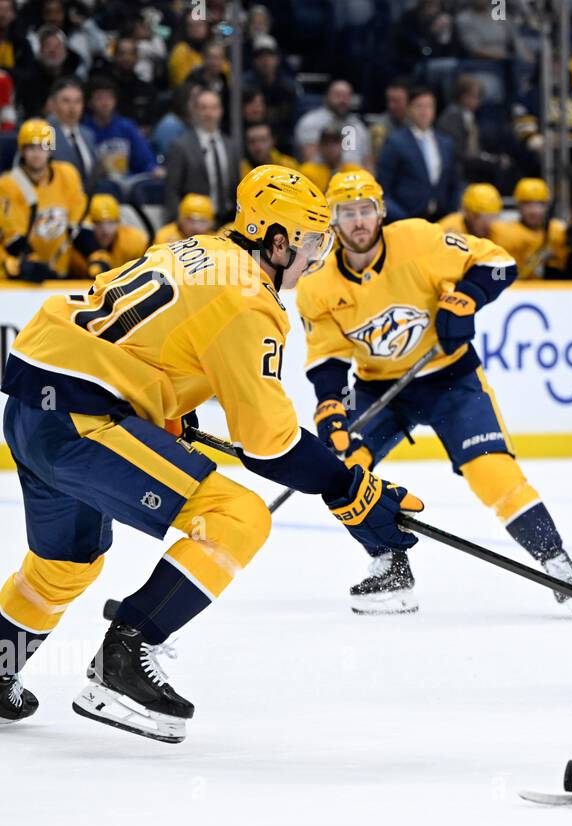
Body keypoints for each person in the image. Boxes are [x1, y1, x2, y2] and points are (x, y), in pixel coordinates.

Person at [0, 165, 423, 736]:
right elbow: (269, 446)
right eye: (311, 243)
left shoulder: (200, 249)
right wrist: (348, 488)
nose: (317, 256)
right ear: (277, 241)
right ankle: (121, 661)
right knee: (237, 515)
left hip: (34, 400)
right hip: (82, 417)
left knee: (66, 562)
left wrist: (166, 405)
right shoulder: (249, 299)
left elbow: (152, 339)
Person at [295, 169, 572, 615]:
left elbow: (496, 263)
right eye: (346, 212)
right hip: (378, 386)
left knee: (492, 472)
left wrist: (467, 297)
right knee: (342, 469)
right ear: (331, 220)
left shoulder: (419, 240)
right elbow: (326, 356)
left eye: (365, 210)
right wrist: (331, 406)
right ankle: (390, 566)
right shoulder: (316, 284)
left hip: (450, 377)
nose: (358, 222)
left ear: (381, 212)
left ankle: (556, 561)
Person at [0, 118, 86, 281]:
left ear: (51, 150)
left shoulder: (67, 174)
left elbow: (77, 221)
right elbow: (13, 236)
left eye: (43, 146)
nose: (37, 153)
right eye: (31, 147)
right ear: (22, 151)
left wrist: (94, 253)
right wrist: (33, 263)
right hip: (23, 272)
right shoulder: (8, 185)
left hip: (60, 270)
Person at [374, 86, 457, 222]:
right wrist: (401, 219)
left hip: (440, 219)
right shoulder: (395, 143)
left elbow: (453, 184)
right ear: (409, 109)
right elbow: (383, 190)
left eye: (429, 106)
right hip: (406, 219)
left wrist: (451, 215)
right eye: (419, 106)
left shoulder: (446, 143)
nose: (424, 111)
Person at [163, 87, 239, 221]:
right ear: (194, 111)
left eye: (213, 108)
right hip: (195, 221)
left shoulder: (231, 146)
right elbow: (172, 191)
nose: (209, 114)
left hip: (229, 219)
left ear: (220, 111)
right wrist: (178, 222)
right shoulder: (181, 146)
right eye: (203, 108)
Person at [490, 178, 569, 279]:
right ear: (519, 205)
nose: (534, 210)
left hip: (548, 291)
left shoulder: (558, 230)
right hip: (515, 290)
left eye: (540, 204)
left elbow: (563, 270)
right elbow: (498, 275)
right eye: (527, 204)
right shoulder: (503, 232)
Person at [70, 193, 149, 277]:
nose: (106, 231)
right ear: (89, 225)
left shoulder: (134, 241)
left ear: (118, 222)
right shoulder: (74, 247)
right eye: (98, 223)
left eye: (111, 222)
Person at [437, 183, 501, 239]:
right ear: (467, 213)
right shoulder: (446, 229)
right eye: (479, 217)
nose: (487, 224)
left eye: (492, 217)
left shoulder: (499, 232)